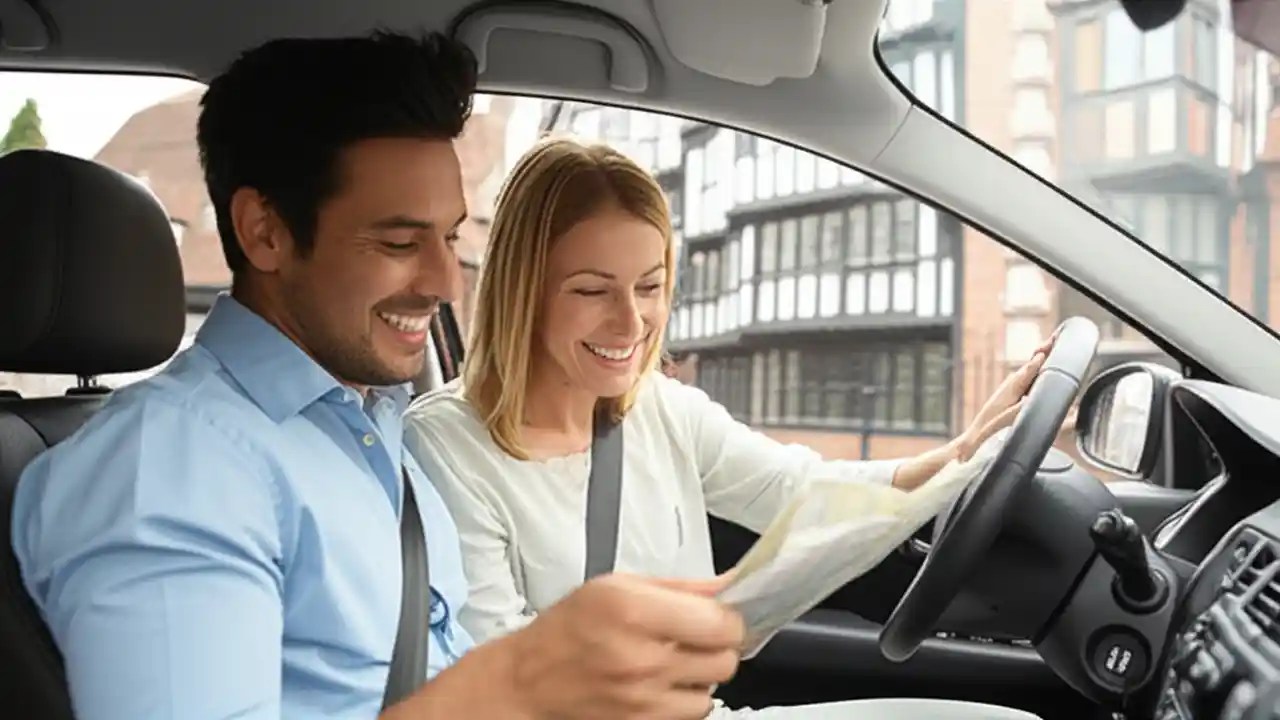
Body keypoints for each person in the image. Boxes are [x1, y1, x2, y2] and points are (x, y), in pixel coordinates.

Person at [10, 32, 745, 720]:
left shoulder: (366, 429)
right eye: (398, 240)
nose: (444, 281)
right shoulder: (168, 471)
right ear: (264, 231)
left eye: (449, 237)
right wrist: (526, 679)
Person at [403, 138, 1050, 718]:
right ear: (524, 291)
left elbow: (804, 491)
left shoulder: (660, 407)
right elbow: (498, 678)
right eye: (592, 291)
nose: (632, 324)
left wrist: (966, 452)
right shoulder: (447, 447)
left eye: (650, 287)